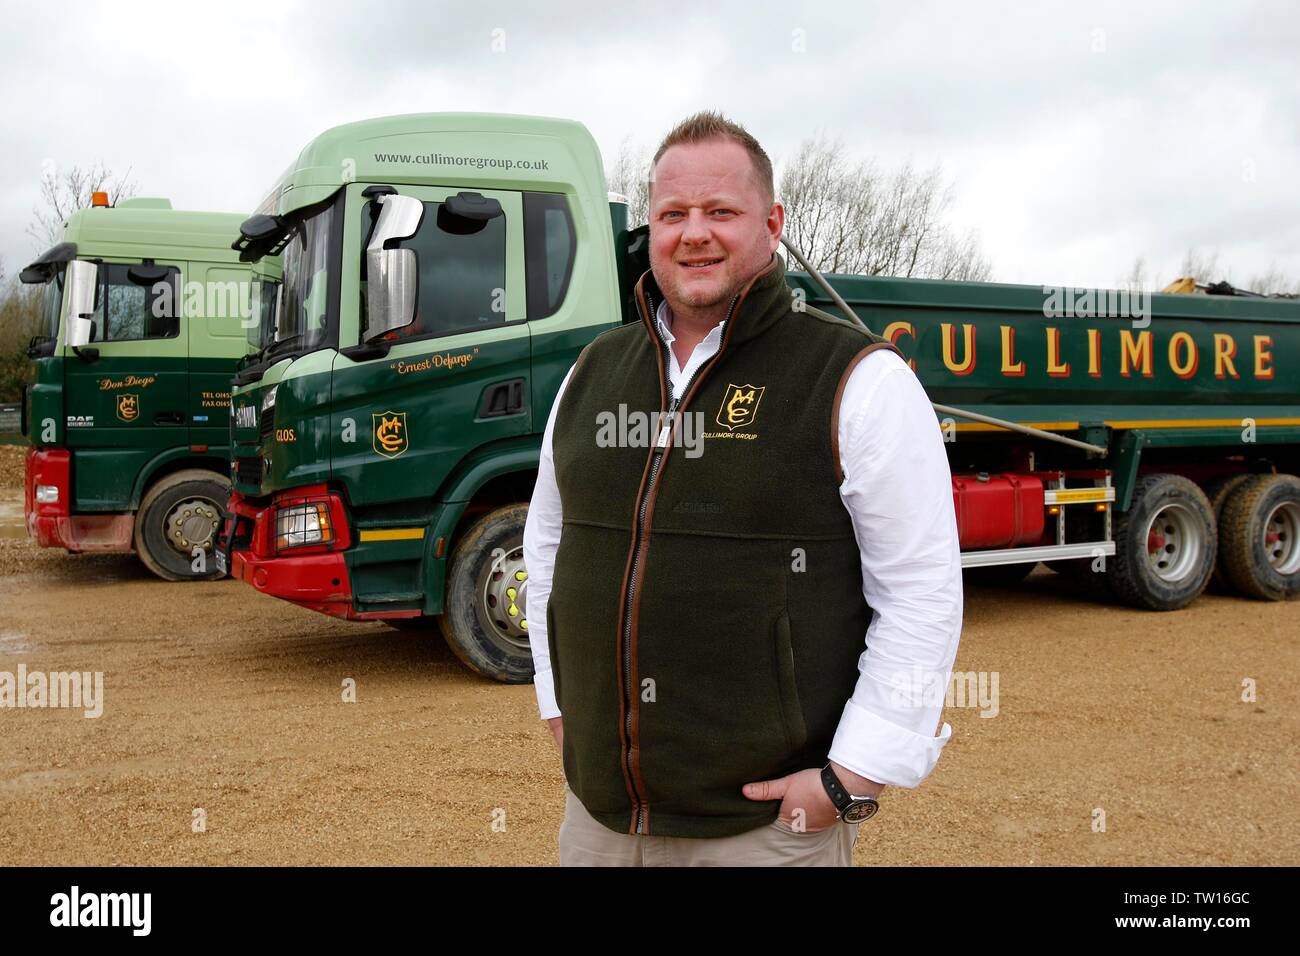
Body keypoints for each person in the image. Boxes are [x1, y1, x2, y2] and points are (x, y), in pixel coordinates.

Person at [524, 111, 962, 866]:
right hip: (597, 817)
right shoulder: (591, 372)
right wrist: (558, 704)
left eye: (720, 212)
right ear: (650, 228)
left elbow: (921, 590)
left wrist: (851, 775)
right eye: (673, 215)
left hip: (761, 830)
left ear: (772, 222)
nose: (694, 234)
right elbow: (551, 548)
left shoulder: (856, 377)